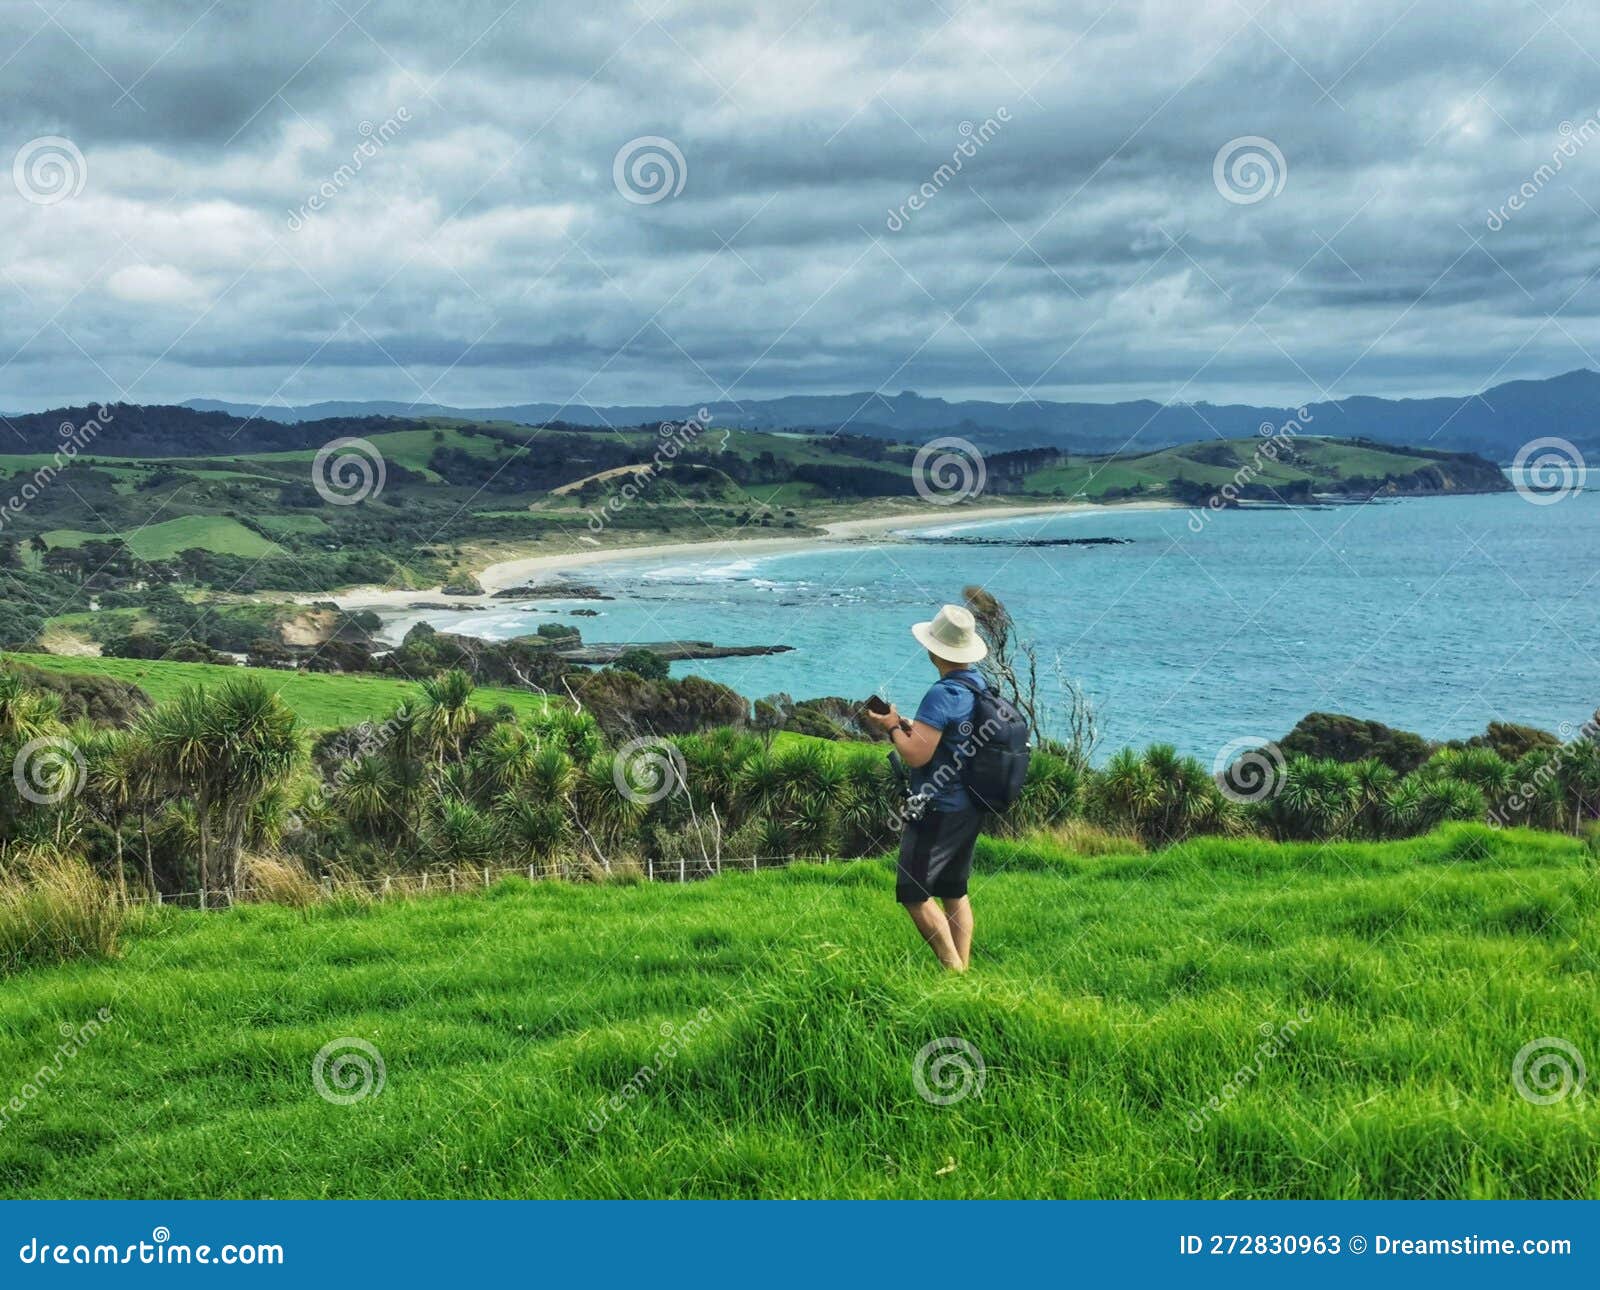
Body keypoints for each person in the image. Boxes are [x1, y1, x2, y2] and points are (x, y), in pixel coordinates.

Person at [863, 603, 989, 972]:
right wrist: (906, 723)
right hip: (971, 804)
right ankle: (963, 971)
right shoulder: (979, 685)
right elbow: (948, 737)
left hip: (939, 807)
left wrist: (890, 727)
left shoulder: (942, 693)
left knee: (913, 893)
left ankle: (953, 971)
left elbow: (916, 756)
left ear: (936, 650)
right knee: (954, 890)